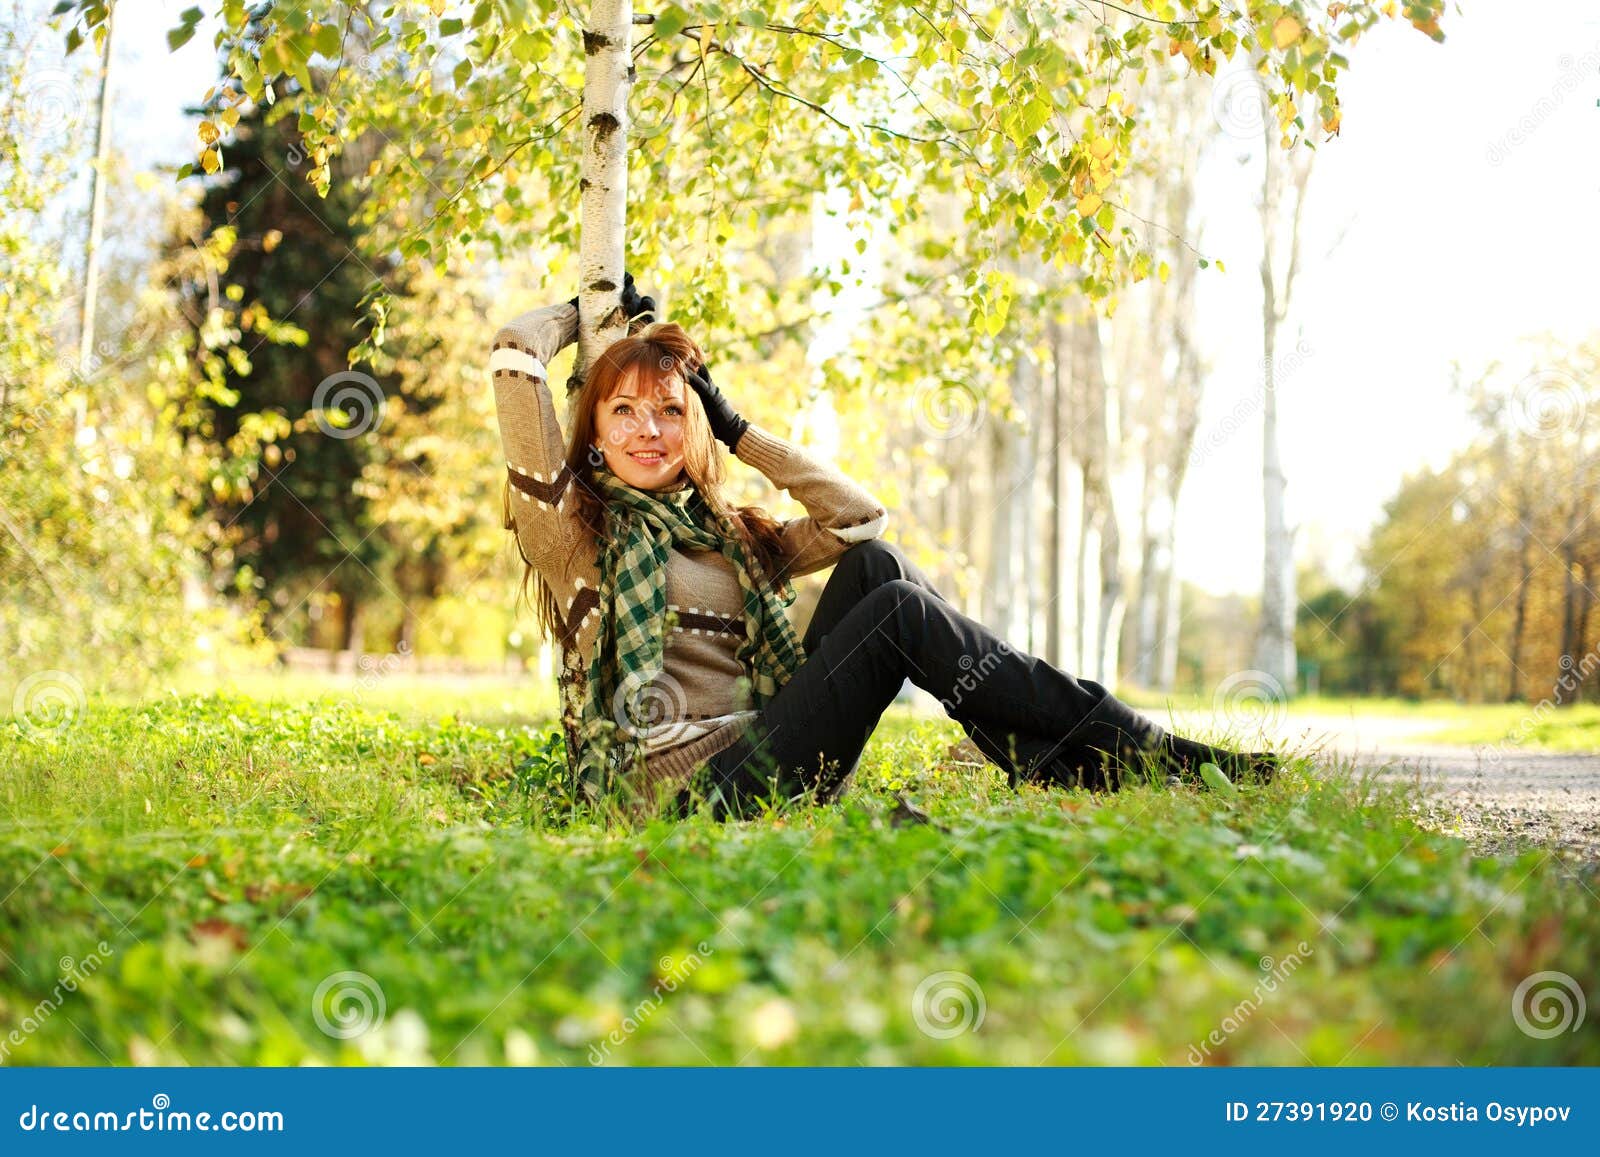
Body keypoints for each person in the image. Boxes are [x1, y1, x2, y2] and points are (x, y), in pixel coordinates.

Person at [491, 278, 1279, 822]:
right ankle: (1131, 747)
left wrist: (738, 430)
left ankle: (1065, 753)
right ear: (594, 433)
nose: (648, 430)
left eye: (670, 410)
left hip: (773, 749)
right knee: (898, 612)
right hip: (691, 795)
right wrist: (586, 311)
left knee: (880, 568)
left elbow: (859, 520)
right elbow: (514, 355)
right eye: (623, 412)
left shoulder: (729, 535)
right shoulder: (574, 533)